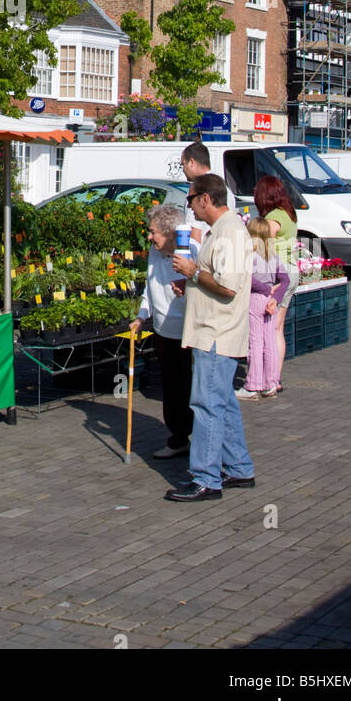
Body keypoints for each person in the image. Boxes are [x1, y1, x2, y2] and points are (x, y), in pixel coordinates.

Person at [165, 172, 255, 502]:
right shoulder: (224, 230)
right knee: (223, 403)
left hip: (216, 332)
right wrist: (189, 282)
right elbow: (215, 278)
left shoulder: (230, 233)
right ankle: (239, 468)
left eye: (190, 200)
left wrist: (192, 273)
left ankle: (206, 478)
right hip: (214, 330)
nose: (189, 207)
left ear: (206, 199)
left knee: (206, 405)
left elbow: (227, 286)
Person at [129, 204, 198, 458]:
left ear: (170, 233)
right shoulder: (154, 253)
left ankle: (200, 440)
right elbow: (150, 287)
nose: (149, 236)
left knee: (192, 388)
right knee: (172, 388)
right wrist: (141, 316)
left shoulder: (192, 251)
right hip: (162, 330)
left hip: (188, 331)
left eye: (153, 232)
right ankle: (179, 438)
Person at [236, 217, 290, 401]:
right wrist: (275, 297)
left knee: (255, 343)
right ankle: (270, 383)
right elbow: (285, 280)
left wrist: (266, 290)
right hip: (270, 302)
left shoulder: (249, 254)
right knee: (270, 343)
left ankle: (253, 385)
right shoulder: (272, 255)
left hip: (255, 299)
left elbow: (247, 279)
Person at [253, 175, 299, 391]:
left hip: (278, 273)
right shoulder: (289, 213)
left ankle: (270, 379)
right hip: (291, 269)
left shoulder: (273, 217)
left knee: (270, 329)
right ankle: (275, 377)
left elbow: (264, 240)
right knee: (278, 328)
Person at [180, 140, 234, 244]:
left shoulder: (196, 191)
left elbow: (194, 233)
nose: (183, 169)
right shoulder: (224, 188)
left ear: (191, 162)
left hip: (204, 252)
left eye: (183, 164)